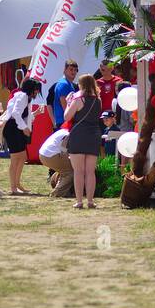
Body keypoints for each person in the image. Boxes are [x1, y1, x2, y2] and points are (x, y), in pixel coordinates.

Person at [64, 74, 107, 209]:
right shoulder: (98, 100)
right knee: (90, 171)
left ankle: (79, 201)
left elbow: (67, 116)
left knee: (78, 171)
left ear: (81, 84)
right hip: (93, 135)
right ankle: (90, 200)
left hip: (78, 135)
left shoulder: (78, 100)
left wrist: (68, 102)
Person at [1, 78, 42, 194]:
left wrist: (35, 114)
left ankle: (17, 184)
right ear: (31, 89)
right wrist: (24, 128)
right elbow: (15, 114)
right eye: (36, 90)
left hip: (16, 128)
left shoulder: (25, 98)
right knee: (15, 158)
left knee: (23, 157)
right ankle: (13, 187)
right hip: (12, 129)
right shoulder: (23, 96)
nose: (37, 92)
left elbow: (22, 116)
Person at [39, 126, 74, 198]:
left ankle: (62, 188)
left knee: (64, 169)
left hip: (43, 154)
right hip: (51, 155)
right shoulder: (69, 133)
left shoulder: (63, 130)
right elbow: (63, 148)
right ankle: (56, 193)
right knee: (70, 172)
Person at [50, 63, 78, 127]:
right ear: (64, 70)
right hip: (64, 122)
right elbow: (65, 105)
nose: (73, 72)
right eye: (71, 69)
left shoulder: (68, 84)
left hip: (66, 121)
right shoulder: (63, 84)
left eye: (75, 70)